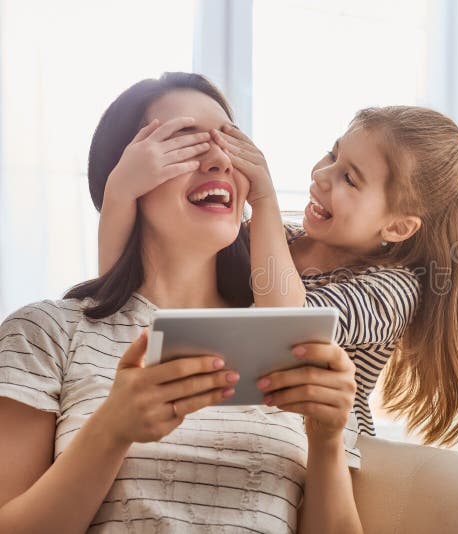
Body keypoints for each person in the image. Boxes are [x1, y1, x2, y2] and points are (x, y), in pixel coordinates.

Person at [0, 72, 361, 533]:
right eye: (184, 142)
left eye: (229, 142)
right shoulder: (45, 333)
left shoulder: (302, 352)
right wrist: (111, 431)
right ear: (125, 174)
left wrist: (327, 440)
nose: (218, 160)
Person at [102, 95, 458, 447]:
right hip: (244, 440)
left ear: (397, 227)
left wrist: (263, 197)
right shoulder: (280, 241)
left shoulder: (392, 289)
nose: (321, 176)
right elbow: (130, 294)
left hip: (324, 465)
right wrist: (121, 189)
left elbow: (287, 323)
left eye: (349, 178)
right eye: (332, 154)